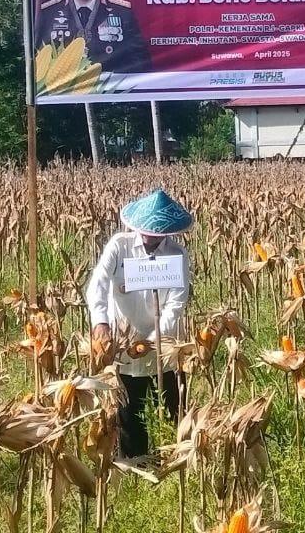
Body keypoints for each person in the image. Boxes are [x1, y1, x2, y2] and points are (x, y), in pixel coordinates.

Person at [85, 190, 192, 458]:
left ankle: (175, 458)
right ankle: (136, 462)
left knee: (173, 407)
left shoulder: (177, 254)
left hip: (164, 346)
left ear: (166, 232)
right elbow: (98, 284)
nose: (148, 237)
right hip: (124, 342)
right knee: (129, 409)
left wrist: (153, 341)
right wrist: (101, 322)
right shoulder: (119, 246)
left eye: (155, 234)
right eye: (144, 231)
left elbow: (175, 304)